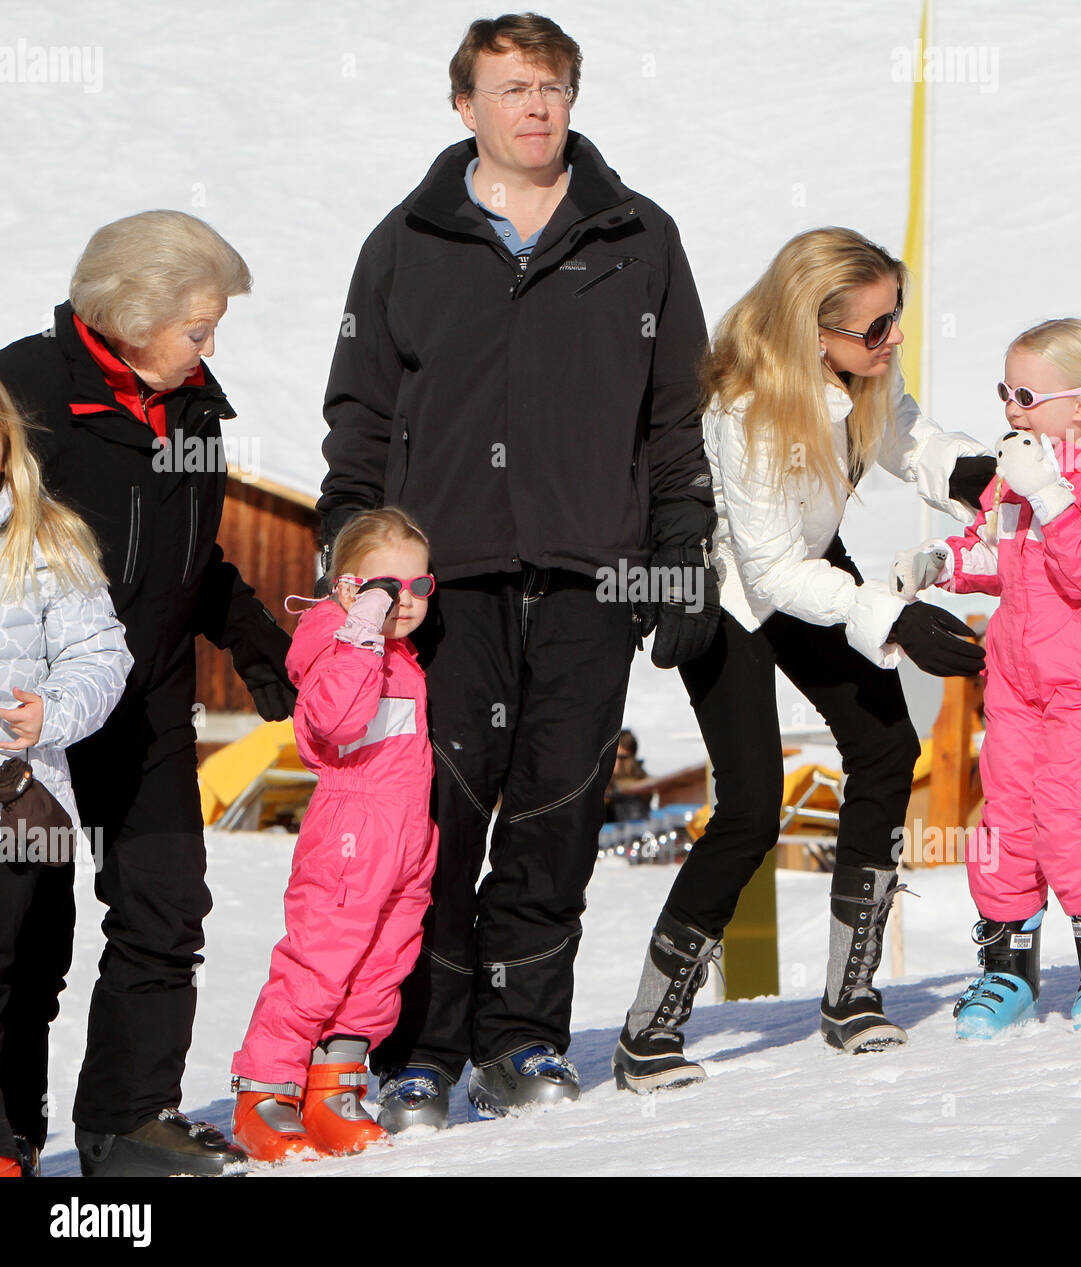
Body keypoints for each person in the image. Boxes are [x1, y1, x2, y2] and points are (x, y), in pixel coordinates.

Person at [317, 13, 718, 1125]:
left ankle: (524, 1039)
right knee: (434, 828)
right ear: (465, 107)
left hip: (593, 577)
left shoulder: (639, 236)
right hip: (440, 589)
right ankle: (417, 1051)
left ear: (573, 99)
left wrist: (681, 552)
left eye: (550, 85)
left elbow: (676, 414)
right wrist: (350, 556)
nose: (532, 105)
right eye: (508, 88)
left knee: (556, 820)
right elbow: (358, 415)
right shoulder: (406, 240)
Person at [612, 228, 993, 1094]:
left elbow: (904, 434)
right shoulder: (746, 408)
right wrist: (894, 615)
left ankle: (851, 990)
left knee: (888, 746)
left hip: (813, 571)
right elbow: (772, 569)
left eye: (896, 318)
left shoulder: (861, 371)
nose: (892, 339)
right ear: (813, 332)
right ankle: (649, 1029)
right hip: (735, 591)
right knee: (752, 803)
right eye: (873, 329)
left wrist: (968, 469)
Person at [0, 211, 296, 1176]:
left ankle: (128, 1120)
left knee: (165, 909)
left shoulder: (196, 408)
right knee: (25, 942)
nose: (211, 349)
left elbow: (193, 561)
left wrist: (261, 649)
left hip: (147, 700)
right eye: (198, 328)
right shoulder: (26, 392)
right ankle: (9, 1131)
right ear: (132, 314)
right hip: (30, 720)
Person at [892, 318, 1081, 1036]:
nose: (1012, 408)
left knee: (1067, 816)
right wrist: (941, 564)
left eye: (1028, 394)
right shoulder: (1019, 469)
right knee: (1002, 822)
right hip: (1015, 678)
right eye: (1005, 391)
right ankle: (1008, 969)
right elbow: (996, 556)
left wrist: (1052, 495)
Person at [231, 508, 439, 1162]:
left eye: (419, 586)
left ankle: (334, 1085)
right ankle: (265, 1087)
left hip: (405, 836)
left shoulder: (403, 655)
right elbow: (332, 719)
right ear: (348, 587)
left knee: (383, 963)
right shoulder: (333, 642)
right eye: (386, 586)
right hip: (351, 833)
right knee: (321, 960)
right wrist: (358, 631)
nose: (403, 601)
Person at [0, 386, 133, 1177]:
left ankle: (18, 1136)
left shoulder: (47, 537)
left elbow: (102, 653)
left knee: (31, 974)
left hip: (27, 786)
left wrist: (52, 710)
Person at [605, 729, 652, 823]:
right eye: (612, 756)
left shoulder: (640, 781)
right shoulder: (600, 779)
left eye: (622, 758)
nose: (617, 762)